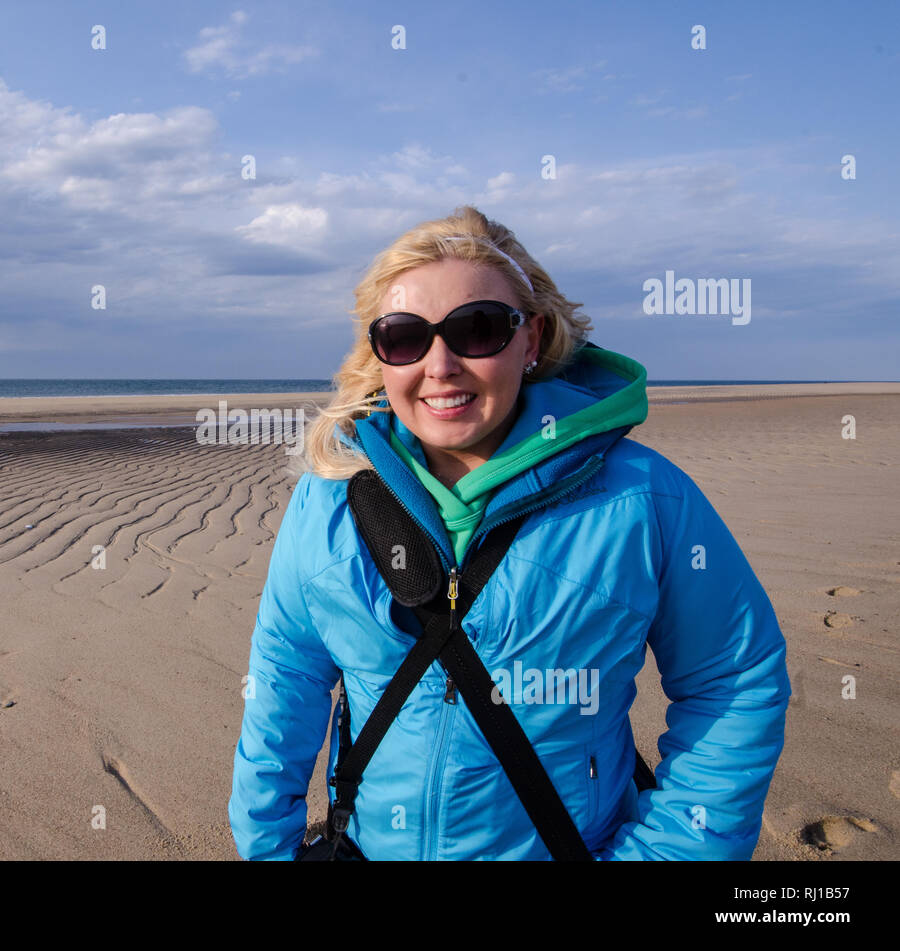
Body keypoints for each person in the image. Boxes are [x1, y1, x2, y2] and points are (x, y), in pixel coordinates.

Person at [227, 204, 791, 860]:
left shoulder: (644, 499)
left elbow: (735, 678)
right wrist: (267, 845)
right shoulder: (328, 499)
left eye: (478, 328)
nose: (440, 365)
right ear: (381, 355)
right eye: (406, 336)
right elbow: (285, 674)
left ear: (532, 339)